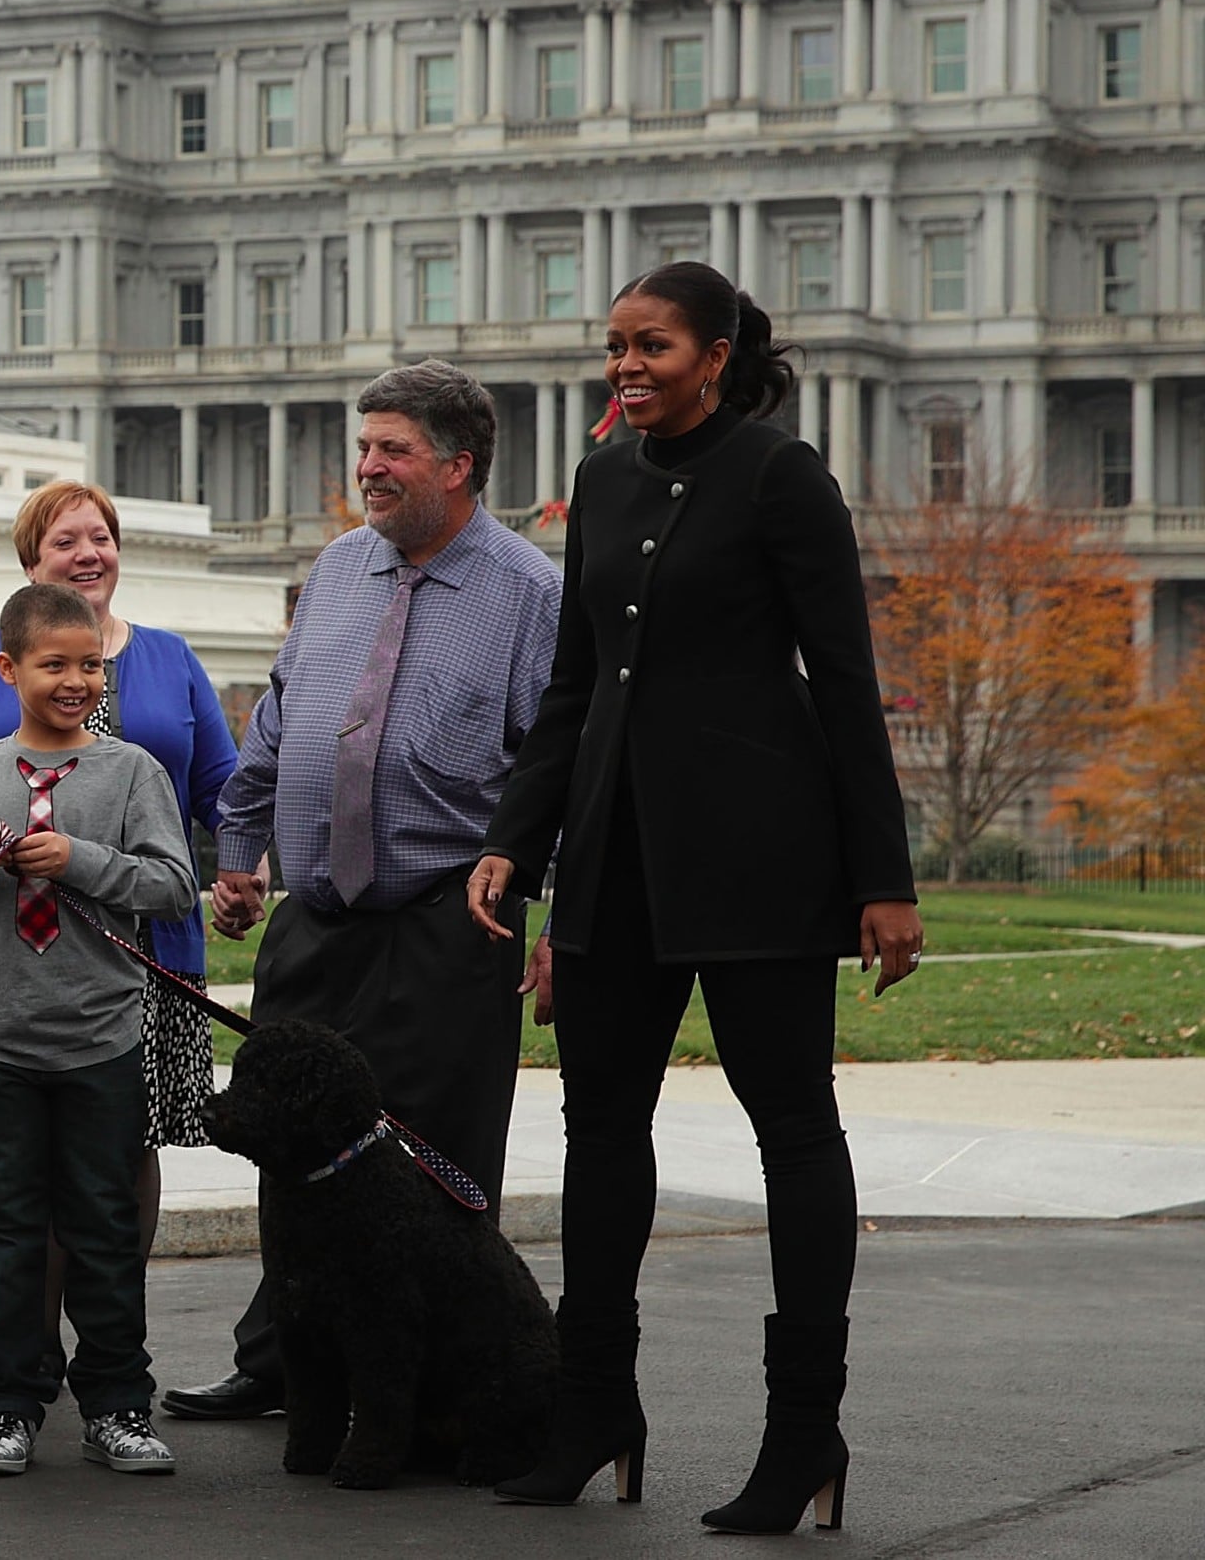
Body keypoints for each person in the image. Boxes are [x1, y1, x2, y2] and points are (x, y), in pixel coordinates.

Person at [467, 263, 921, 1534]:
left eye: (650, 345)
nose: (625, 365)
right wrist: (520, 839)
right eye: (613, 345)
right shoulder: (603, 479)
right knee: (600, 1133)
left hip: (763, 860)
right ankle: (594, 1407)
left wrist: (882, 881)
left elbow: (843, 681)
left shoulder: (781, 477)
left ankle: (802, 1435)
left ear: (714, 355)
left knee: (793, 1130)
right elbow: (573, 687)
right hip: (615, 857)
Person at [165, 359, 563, 1425]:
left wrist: (558, 918)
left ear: (457, 464)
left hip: (449, 924)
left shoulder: (530, 594)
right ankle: (283, 1365)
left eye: (392, 450)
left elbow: (557, 772)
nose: (368, 468)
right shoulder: (338, 570)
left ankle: (439, 1395)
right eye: (366, 446)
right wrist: (240, 850)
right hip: (315, 923)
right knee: (286, 1150)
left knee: (427, 1168)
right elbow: (284, 724)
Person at [0, 479, 239, 1266]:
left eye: (101, 537)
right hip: (13, 962)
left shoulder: (172, 656)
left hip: (149, 952)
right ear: (31, 563)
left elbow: (224, 790)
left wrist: (242, 870)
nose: (88, 553)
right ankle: (30, 1346)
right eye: (65, 540)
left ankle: (112, 1337)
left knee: (125, 1146)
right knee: (22, 1162)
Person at [0, 582, 199, 1478]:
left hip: (102, 1043)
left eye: (90, 665)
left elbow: (171, 885)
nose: (76, 680)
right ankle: (6, 1405)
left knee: (105, 1225)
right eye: (55, 665)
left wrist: (79, 859)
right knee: (2, 1227)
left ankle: (118, 1402)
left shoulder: (133, 774)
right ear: (9, 669)